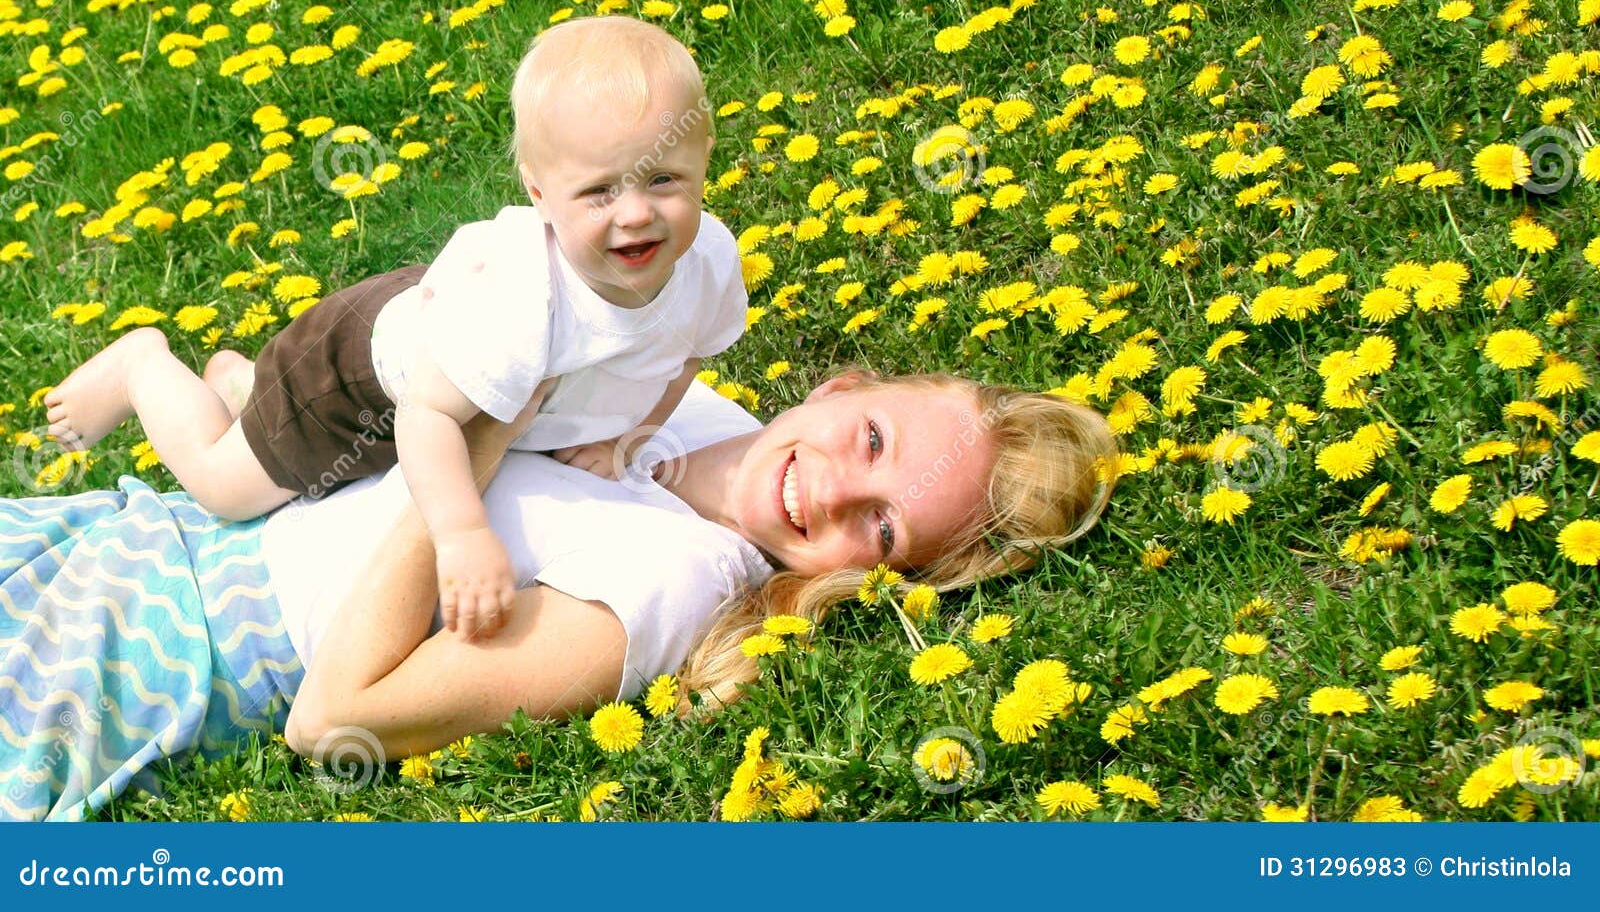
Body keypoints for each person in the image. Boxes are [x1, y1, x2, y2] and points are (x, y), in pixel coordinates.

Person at [0, 366, 1115, 821]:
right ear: (842, 386)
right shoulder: (689, 391)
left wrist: (471, 442)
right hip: (140, 529)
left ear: (875, 575)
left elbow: (334, 717)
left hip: (157, 640)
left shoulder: (668, 585)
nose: (832, 489)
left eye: (882, 525)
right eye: (867, 439)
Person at [38, 14, 747, 640]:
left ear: (702, 155)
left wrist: (627, 435)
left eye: (663, 180)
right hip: (359, 382)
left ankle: (246, 383)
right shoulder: (525, 304)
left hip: (445, 333)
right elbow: (428, 417)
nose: (636, 214)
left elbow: (688, 354)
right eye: (598, 190)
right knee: (227, 488)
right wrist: (462, 533)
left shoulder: (708, 260)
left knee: (281, 414)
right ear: (539, 194)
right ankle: (142, 366)